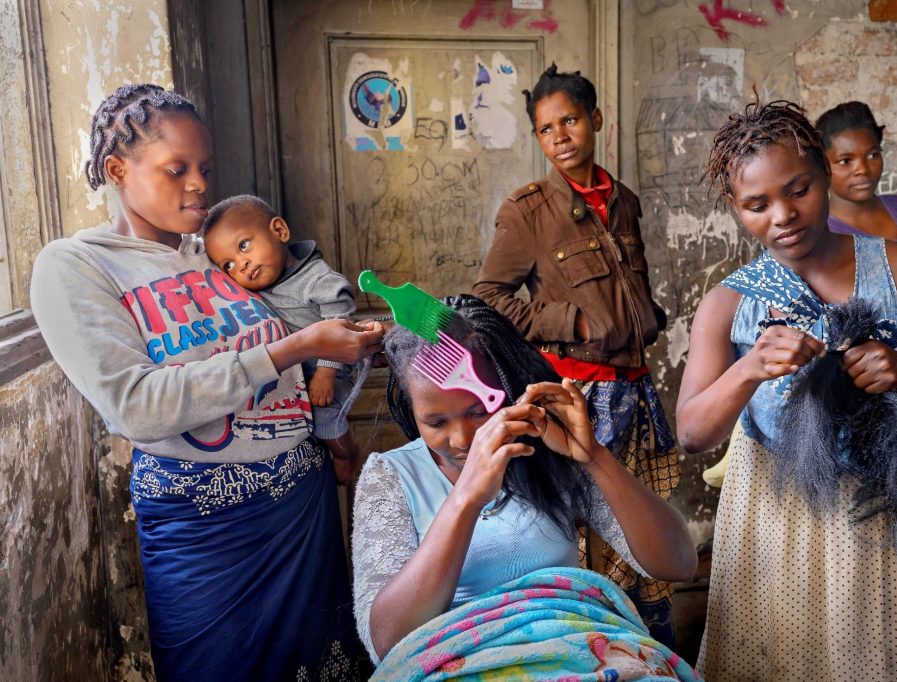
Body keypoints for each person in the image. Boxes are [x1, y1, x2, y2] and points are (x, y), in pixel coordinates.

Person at [29, 84, 383, 681]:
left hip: (301, 503)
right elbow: (136, 406)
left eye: (205, 168)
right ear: (118, 170)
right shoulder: (78, 265)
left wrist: (328, 424)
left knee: (322, 663)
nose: (199, 183)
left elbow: (303, 316)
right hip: (204, 525)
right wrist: (293, 349)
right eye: (177, 169)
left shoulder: (222, 248)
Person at [675, 98, 897, 681]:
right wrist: (747, 370)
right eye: (757, 205)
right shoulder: (729, 303)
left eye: (798, 190)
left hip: (883, 511)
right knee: (779, 660)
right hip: (773, 515)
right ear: (736, 210)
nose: (783, 215)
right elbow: (692, 433)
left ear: (825, 177)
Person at [352, 294, 700, 680]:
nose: (462, 438)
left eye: (478, 411)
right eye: (435, 422)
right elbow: (387, 641)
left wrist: (595, 458)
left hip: (572, 652)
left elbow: (678, 564)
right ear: (410, 409)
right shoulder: (392, 475)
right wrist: (467, 498)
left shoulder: (547, 447)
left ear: (508, 387)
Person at [472, 64, 680, 645]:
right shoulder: (529, 209)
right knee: (590, 532)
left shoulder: (625, 201)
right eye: (545, 128)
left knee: (644, 517)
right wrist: (573, 321)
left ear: (596, 121)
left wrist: (648, 317)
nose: (559, 135)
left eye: (569, 120)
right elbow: (487, 297)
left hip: (636, 392)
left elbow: (628, 285)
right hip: (578, 397)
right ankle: (591, 646)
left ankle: (649, 646)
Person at [203, 194, 366, 486]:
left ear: (279, 231)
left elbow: (339, 321)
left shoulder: (315, 278)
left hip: (330, 366)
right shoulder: (257, 288)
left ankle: (347, 454)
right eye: (228, 265)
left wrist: (327, 373)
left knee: (326, 417)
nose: (242, 264)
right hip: (294, 374)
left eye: (244, 246)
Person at [816, 101, 897, 240]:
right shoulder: (821, 237)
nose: (863, 170)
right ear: (823, 166)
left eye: (872, 155)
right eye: (845, 161)